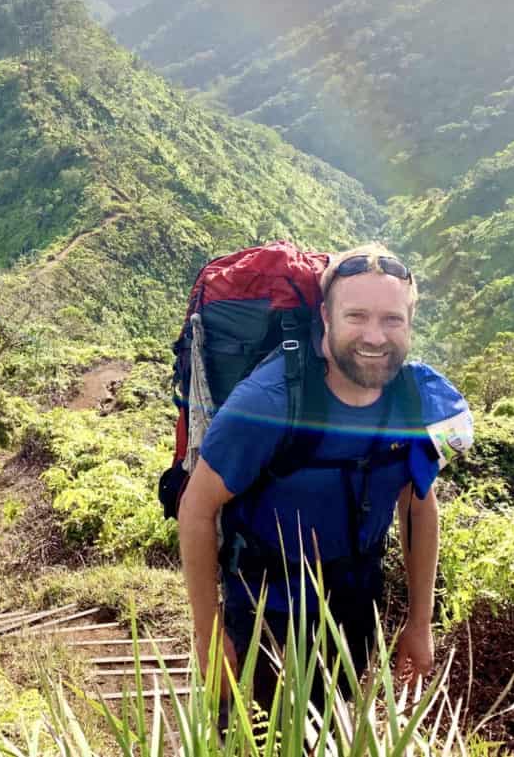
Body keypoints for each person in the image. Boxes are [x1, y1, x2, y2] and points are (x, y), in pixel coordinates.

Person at [177, 242, 472, 706]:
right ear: (327, 317)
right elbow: (196, 508)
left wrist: (419, 624)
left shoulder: (416, 403)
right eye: (357, 316)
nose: (375, 337)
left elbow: (418, 506)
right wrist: (208, 632)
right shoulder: (268, 402)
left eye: (392, 319)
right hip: (263, 619)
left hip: (355, 615)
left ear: (410, 325)